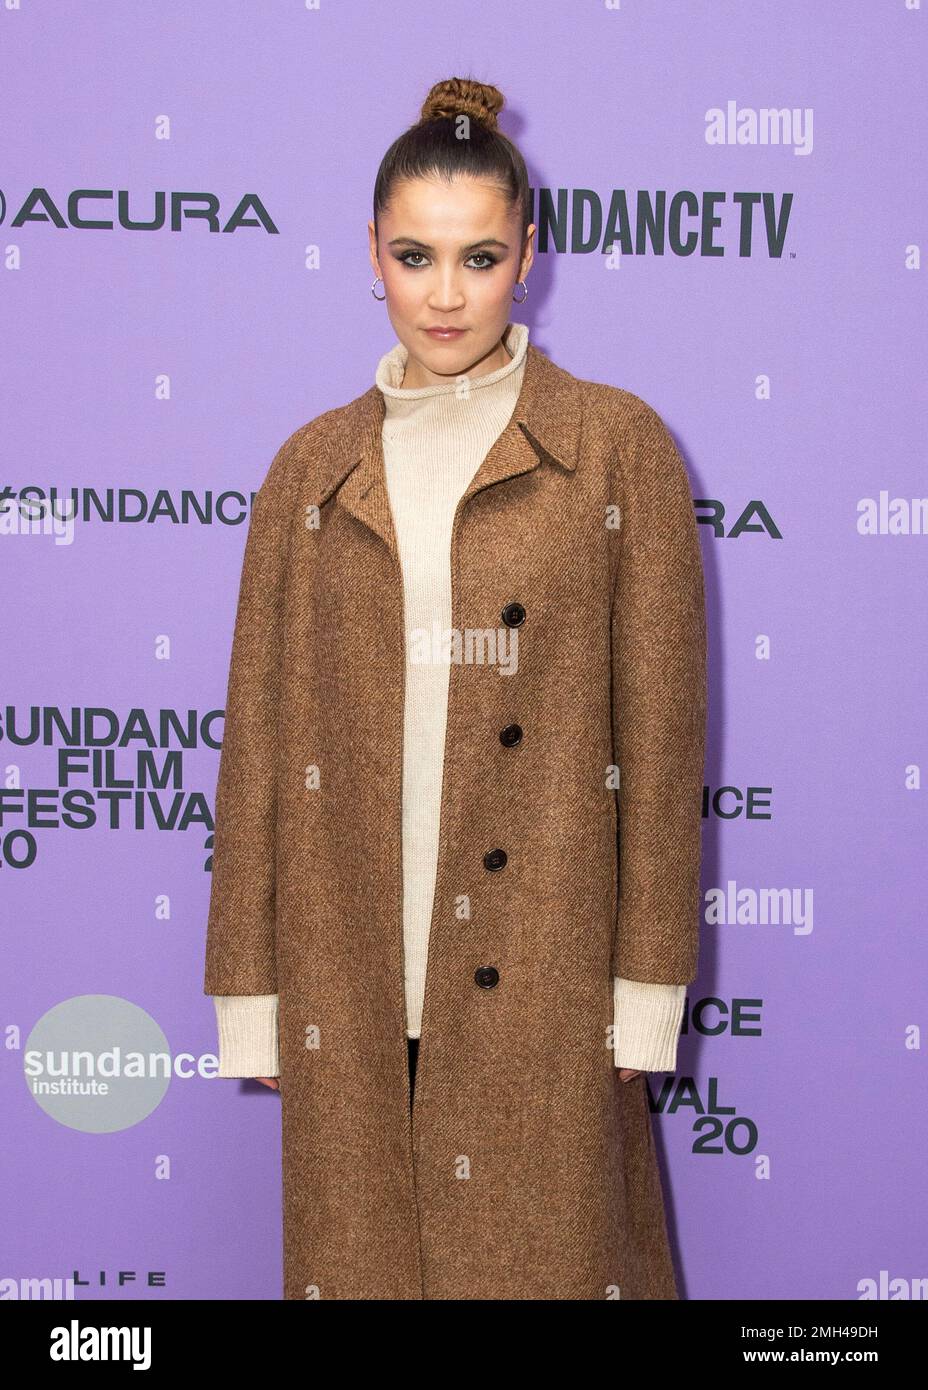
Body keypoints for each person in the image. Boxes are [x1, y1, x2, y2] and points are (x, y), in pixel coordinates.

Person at [204, 76, 707, 1300]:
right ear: (367, 252)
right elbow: (259, 741)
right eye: (415, 255)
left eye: (477, 256)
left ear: (528, 255)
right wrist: (251, 994)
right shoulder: (310, 468)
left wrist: (645, 994)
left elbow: (661, 741)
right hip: (350, 972)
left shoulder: (613, 444)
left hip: (544, 968)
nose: (444, 293)